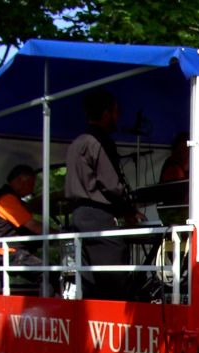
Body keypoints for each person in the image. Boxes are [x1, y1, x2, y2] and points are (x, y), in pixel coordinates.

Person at [65, 89, 141, 300]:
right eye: (116, 112)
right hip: (99, 217)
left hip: (79, 216)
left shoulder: (76, 143)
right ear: (107, 113)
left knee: (90, 280)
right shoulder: (99, 142)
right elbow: (111, 186)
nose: (117, 117)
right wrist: (128, 211)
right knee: (115, 280)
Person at [0, 164, 45, 270]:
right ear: (20, 180)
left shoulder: (12, 198)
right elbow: (32, 225)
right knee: (47, 270)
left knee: (47, 268)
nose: (32, 189)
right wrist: (57, 235)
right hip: (0, 250)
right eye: (31, 184)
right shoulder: (6, 198)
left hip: (9, 249)